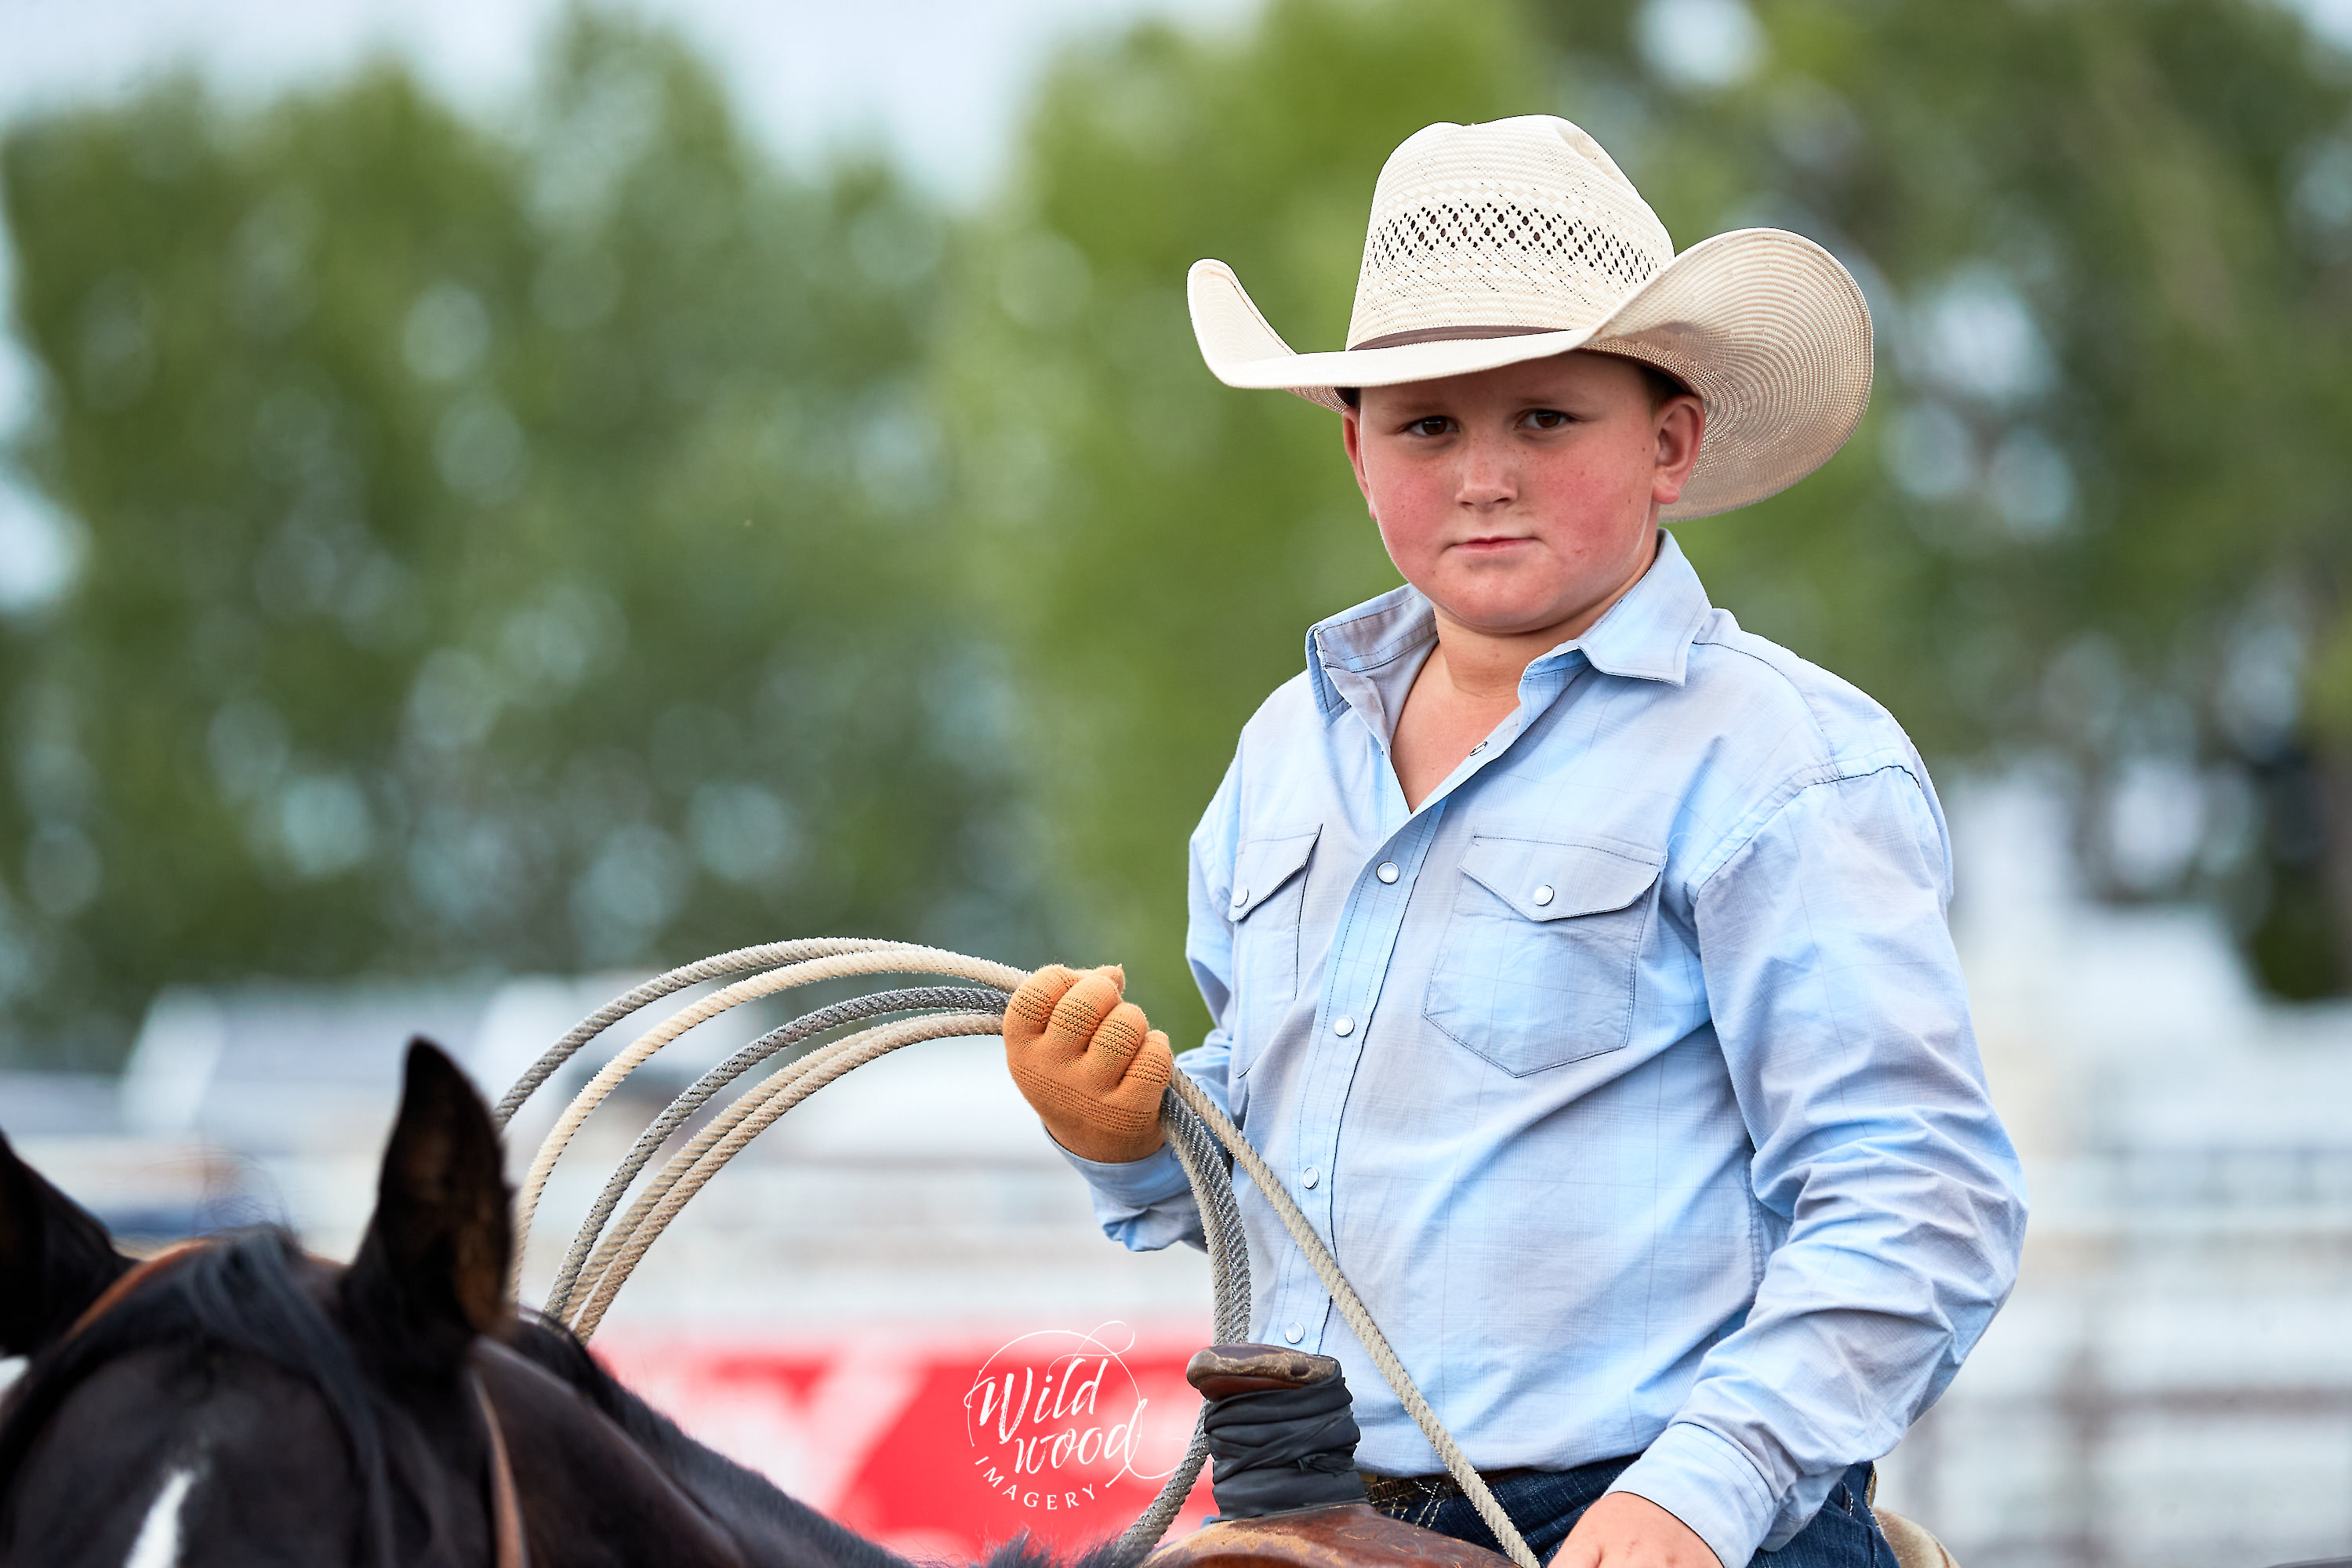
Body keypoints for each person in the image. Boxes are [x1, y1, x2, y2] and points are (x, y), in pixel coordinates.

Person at [1000, 116, 2026, 1568]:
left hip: (1646, 1510)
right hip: (1303, 1498)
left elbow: (1920, 1197)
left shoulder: (1781, 763)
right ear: (1358, 451)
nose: (1484, 474)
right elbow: (1273, 1167)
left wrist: (1701, 1490)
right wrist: (1130, 1136)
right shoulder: (1283, 757)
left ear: (1671, 442)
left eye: (1545, 418)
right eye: (1428, 425)